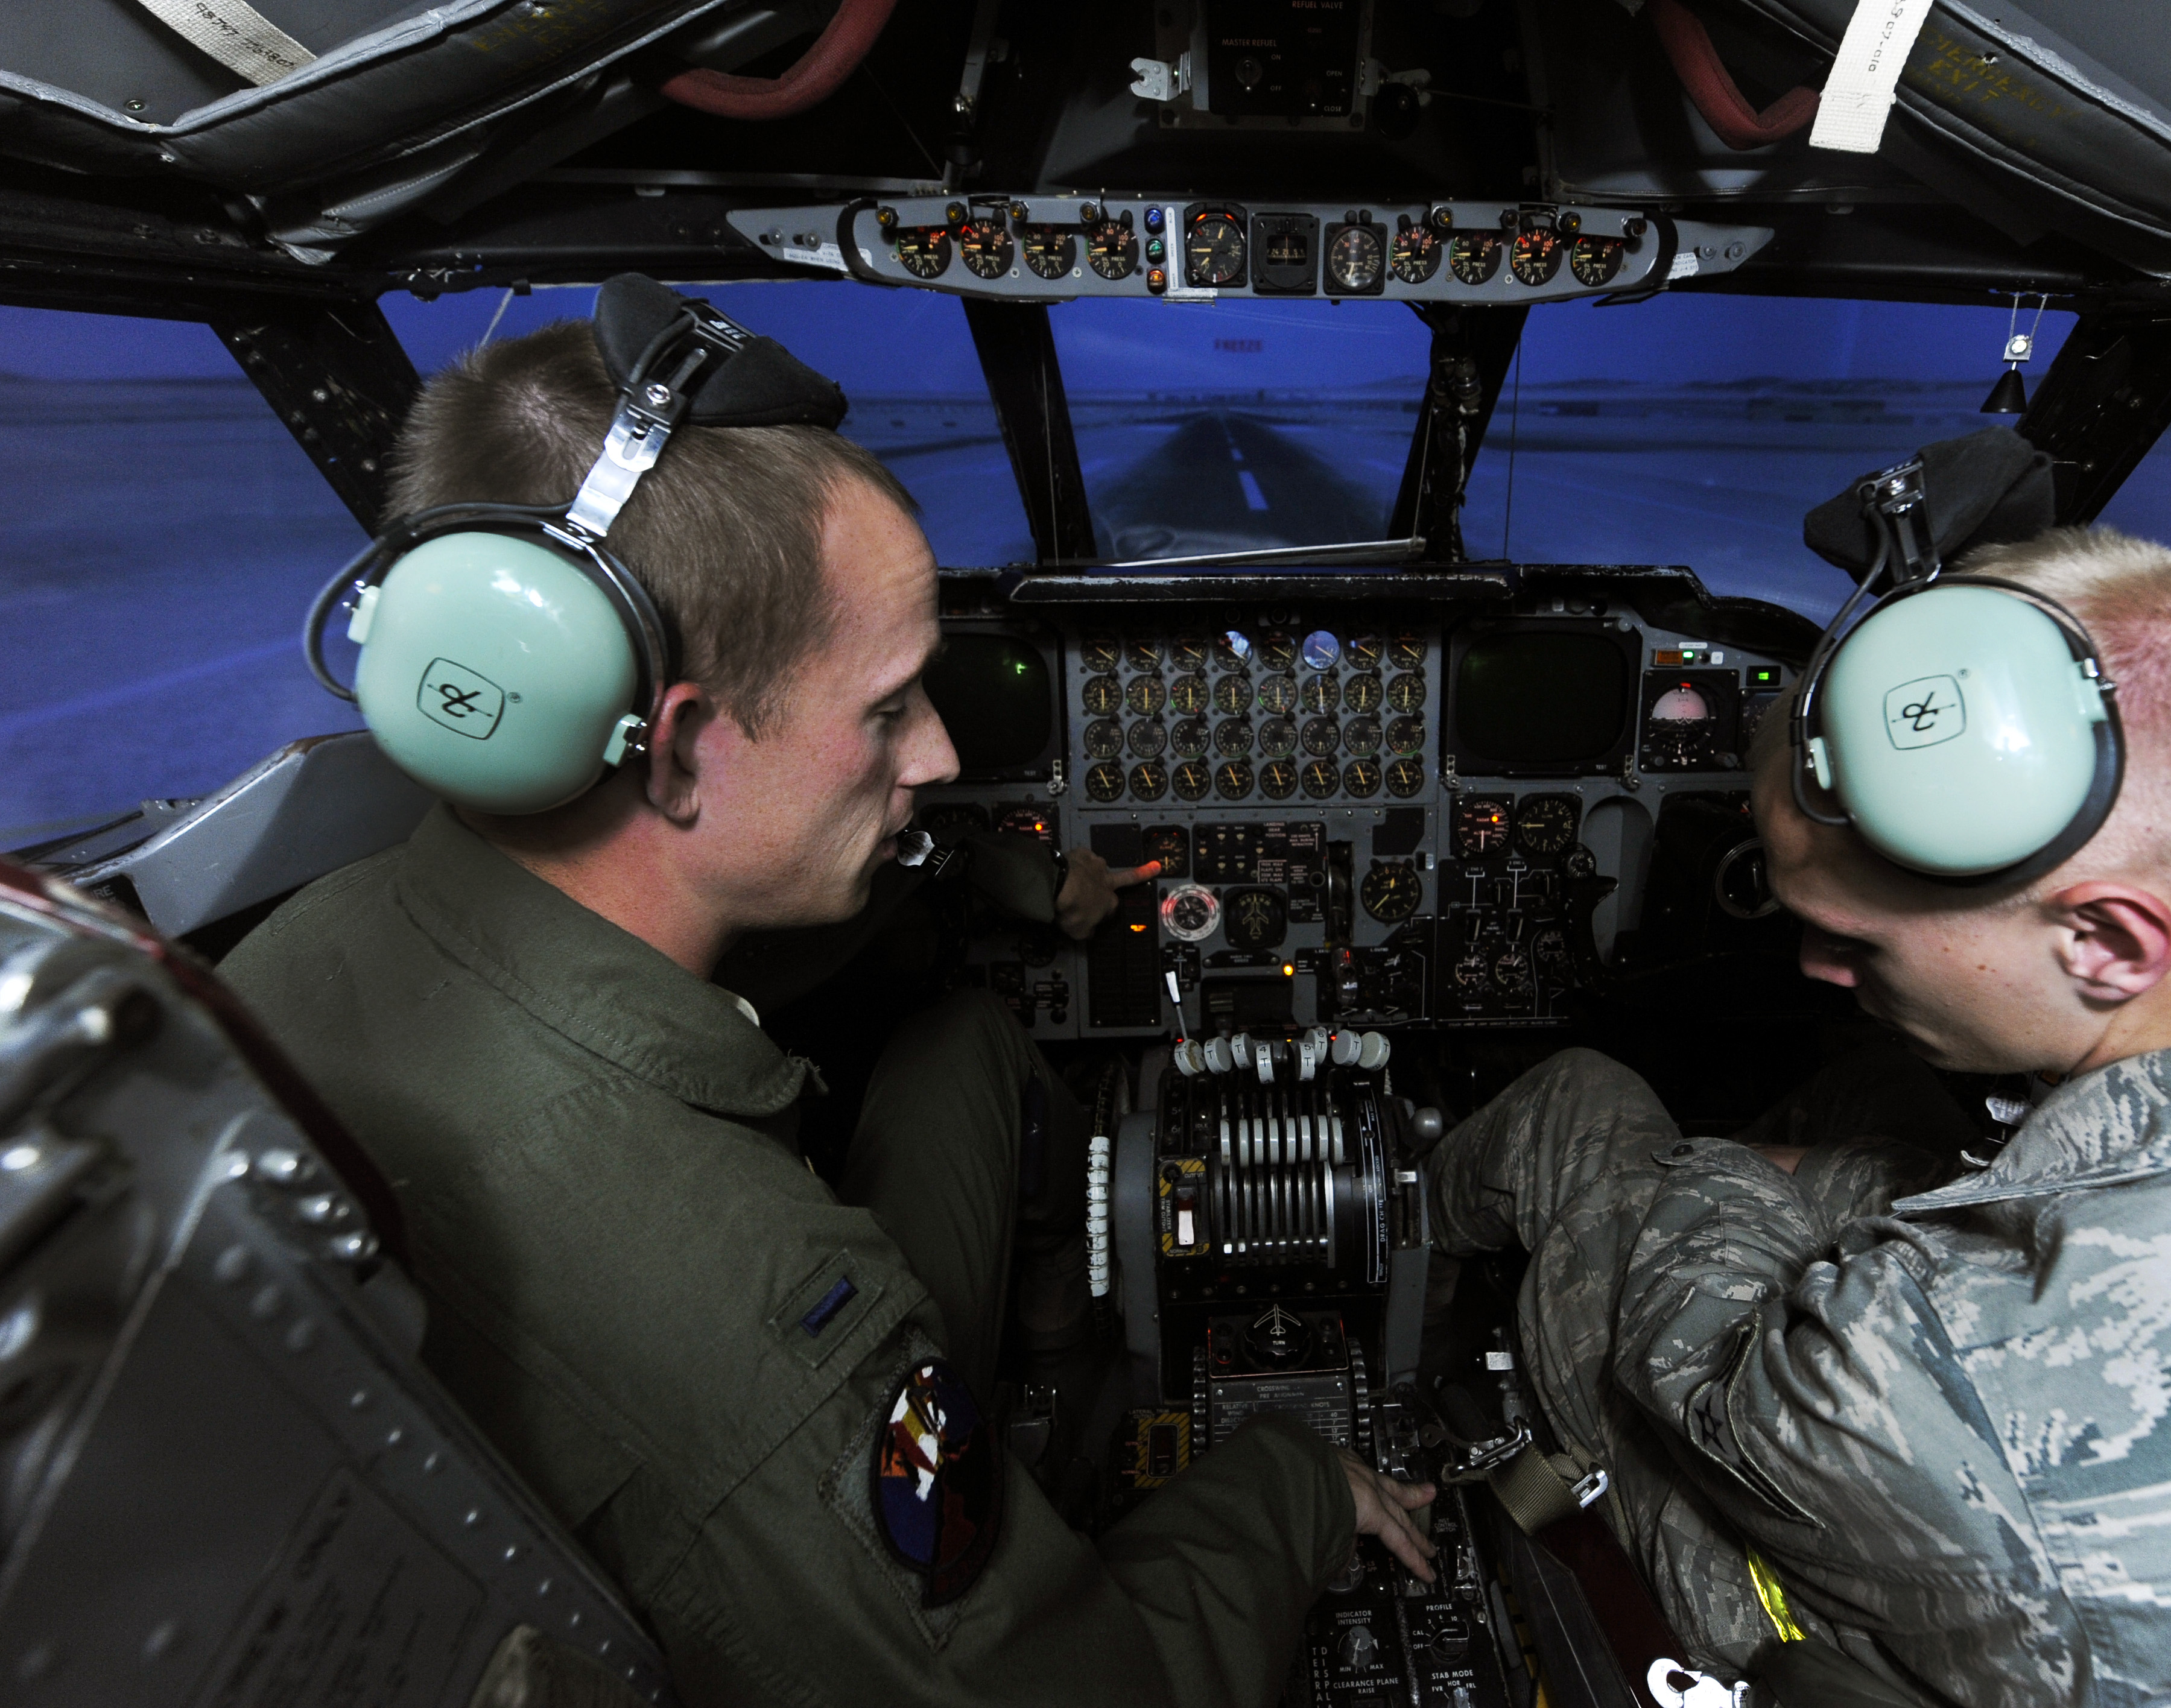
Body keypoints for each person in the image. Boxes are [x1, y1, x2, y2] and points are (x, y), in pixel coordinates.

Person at [220, 311, 1436, 1708]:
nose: (944, 754)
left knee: (967, 1041)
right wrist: (1293, 1481)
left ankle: (1050, 1374)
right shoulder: (761, 1342)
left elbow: (879, 870)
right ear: (679, 747)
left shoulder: (314, 939)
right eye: (889, 707)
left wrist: (1029, 884)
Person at [1429, 527, 2171, 1706]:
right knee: (1870, 1097)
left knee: (1582, 1105)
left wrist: (1723, 1170)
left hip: (1838, 1597)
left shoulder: (1940, 1357)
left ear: (2105, 939)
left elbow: (1701, 1367)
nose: (1816, 969)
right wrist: (1836, 1175)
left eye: (1856, 942)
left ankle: (1411, 1319)